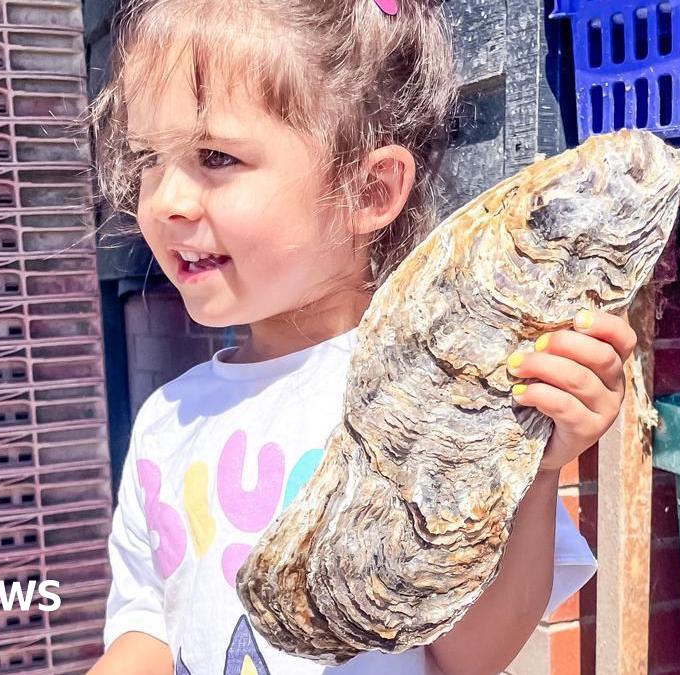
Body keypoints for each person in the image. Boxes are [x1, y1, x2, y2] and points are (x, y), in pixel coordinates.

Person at [87, 1, 638, 673]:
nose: (166, 200)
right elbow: (148, 629)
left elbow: (470, 654)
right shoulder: (165, 421)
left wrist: (541, 468)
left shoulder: (440, 395)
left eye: (215, 156)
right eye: (148, 158)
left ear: (369, 191)